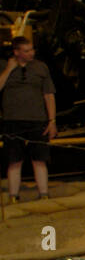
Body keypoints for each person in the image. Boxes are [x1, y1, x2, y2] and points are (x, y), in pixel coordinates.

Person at [0, 37, 57, 202]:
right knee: (14, 160)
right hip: (13, 120)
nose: (31, 53)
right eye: (26, 50)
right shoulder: (4, 66)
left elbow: (49, 95)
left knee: (40, 158)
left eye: (32, 49)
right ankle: (13, 195)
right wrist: (9, 70)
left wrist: (52, 120)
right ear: (16, 52)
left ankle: (44, 194)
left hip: (38, 120)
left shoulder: (40, 67)